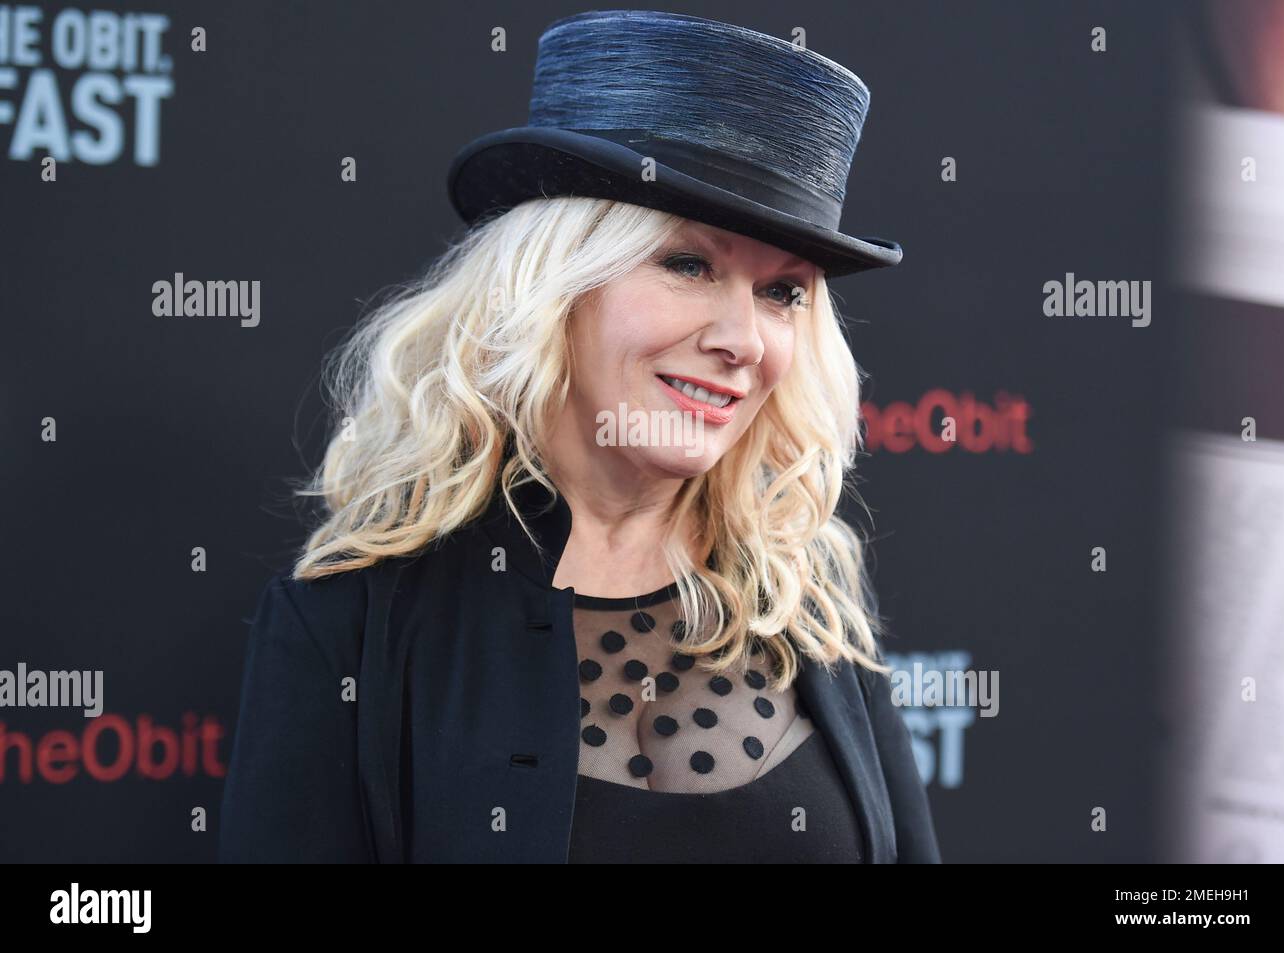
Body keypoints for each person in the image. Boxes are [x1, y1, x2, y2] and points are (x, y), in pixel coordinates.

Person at [219, 9, 940, 864]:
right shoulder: (349, 624)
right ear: (551, 284)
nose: (742, 339)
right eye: (688, 264)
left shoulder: (808, 602)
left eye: (783, 292)